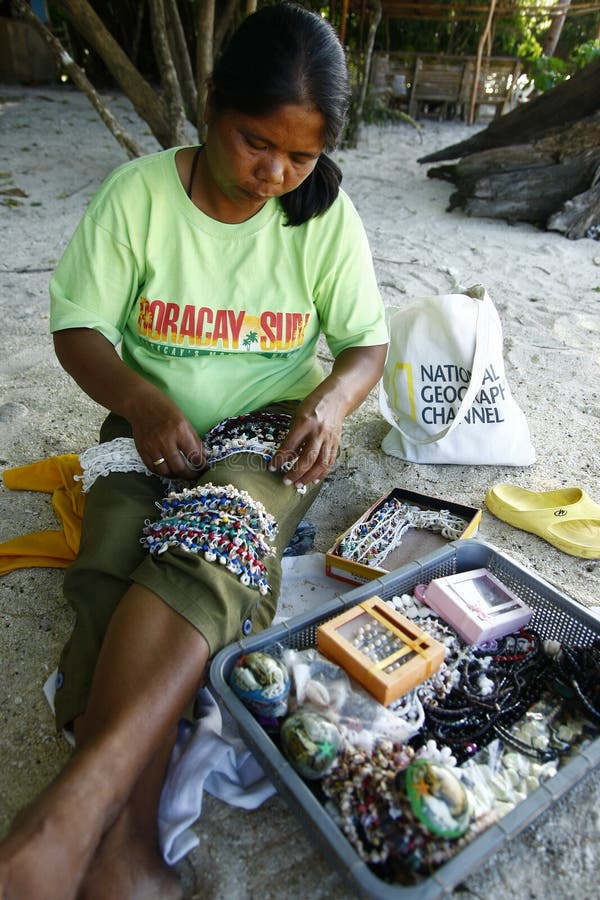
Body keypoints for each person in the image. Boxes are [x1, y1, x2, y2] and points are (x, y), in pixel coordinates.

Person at [0, 3, 388, 898]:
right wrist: (138, 399)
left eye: (302, 155)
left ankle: (75, 812)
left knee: (217, 532)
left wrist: (331, 401)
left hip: (266, 433)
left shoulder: (319, 216)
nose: (276, 172)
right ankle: (124, 837)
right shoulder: (138, 197)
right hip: (146, 424)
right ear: (211, 105)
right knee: (113, 554)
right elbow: (78, 330)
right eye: (257, 142)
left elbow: (365, 345)